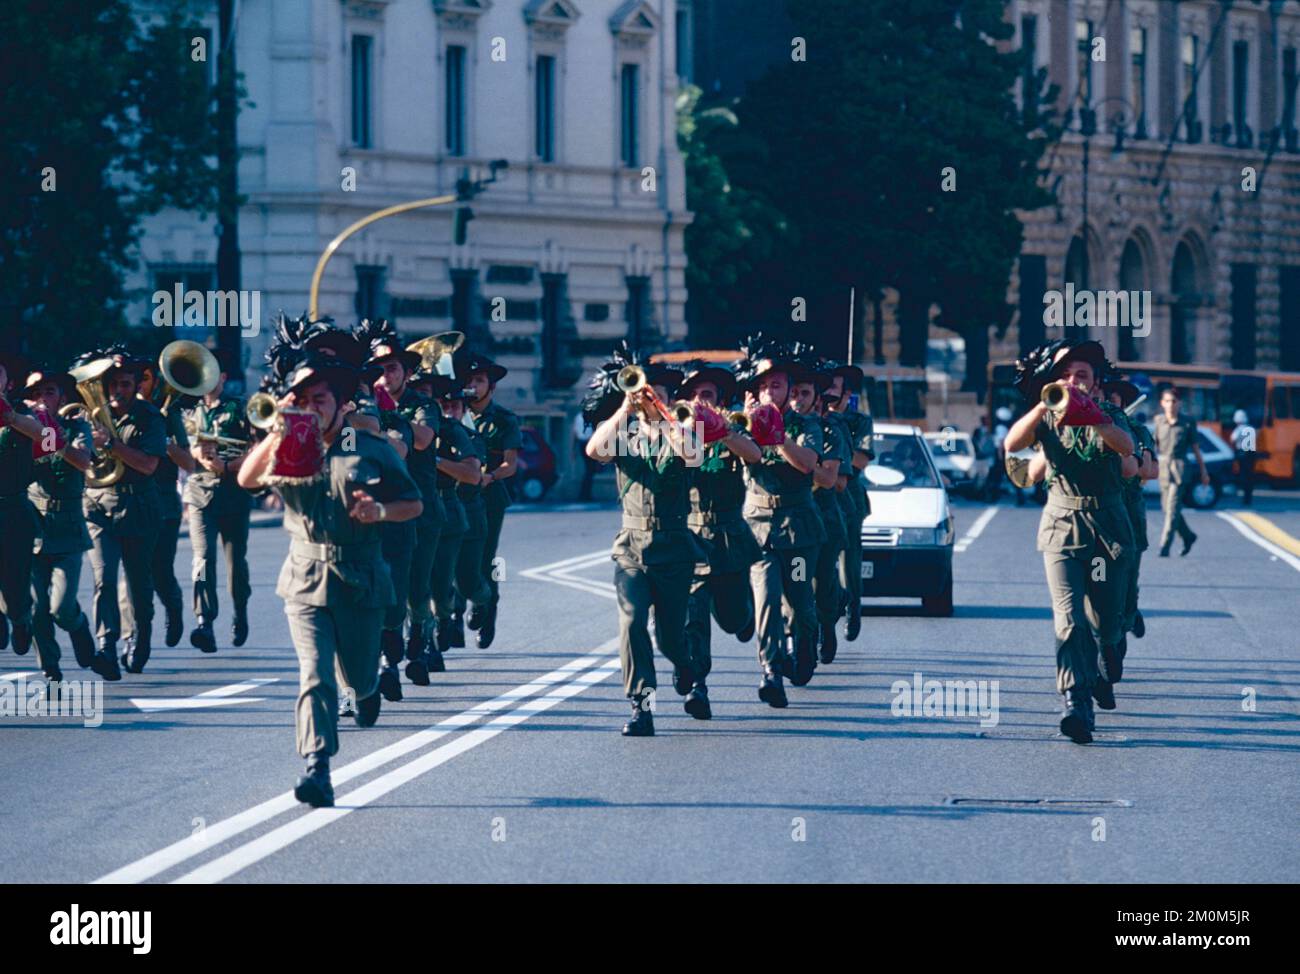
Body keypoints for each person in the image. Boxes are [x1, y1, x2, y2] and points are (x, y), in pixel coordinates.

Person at [238, 351, 422, 807]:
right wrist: (276, 429)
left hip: (360, 577)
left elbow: (412, 503)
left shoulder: (370, 448)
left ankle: (368, 689)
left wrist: (378, 511)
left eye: (319, 399)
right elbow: (245, 479)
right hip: (304, 578)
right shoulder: (287, 445)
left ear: (342, 405)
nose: (311, 406)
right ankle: (317, 768)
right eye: (303, 398)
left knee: (356, 676)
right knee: (315, 674)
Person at [1003, 340, 1135, 744]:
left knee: (1106, 621)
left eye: (1081, 376)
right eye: (1065, 376)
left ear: (1095, 385)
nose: (1073, 382)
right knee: (1069, 617)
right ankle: (1076, 701)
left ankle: (1107, 651)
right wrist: (1046, 406)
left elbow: (1127, 449)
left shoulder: (1109, 414)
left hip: (1108, 526)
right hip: (1062, 523)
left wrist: (1094, 418)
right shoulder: (1047, 416)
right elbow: (1012, 445)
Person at [583, 354, 707, 736]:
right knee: (633, 620)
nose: (649, 398)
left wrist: (665, 419)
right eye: (644, 391)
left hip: (674, 547)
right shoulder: (623, 433)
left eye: (658, 393)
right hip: (632, 547)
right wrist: (625, 406)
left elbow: (692, 456)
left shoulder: (686, 429)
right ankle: (642, 706)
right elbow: (594, 451)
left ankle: (685, 664)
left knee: (670, 637)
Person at [737, 338, 824, 705]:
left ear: (789, 391)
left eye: (776, 385)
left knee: (801, 601)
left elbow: (807, 464)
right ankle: (771, 671)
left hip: (798, 531)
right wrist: (735, 429)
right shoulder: (744, 424)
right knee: (767, 597)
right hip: (758, 528)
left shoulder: (805, 426)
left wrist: (780, 436)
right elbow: (742, 457)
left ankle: (806, 646)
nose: (769, 391)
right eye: (763, 385)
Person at [679, 361, 762, 719]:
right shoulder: (680, 432)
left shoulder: (732, 427)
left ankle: (745, 619)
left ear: (719, 399)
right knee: (693, 614)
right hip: (693, 536)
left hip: (729, 535)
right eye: (695, 394)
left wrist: (724, 430)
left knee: (731, 618)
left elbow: (754, 455)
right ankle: (698, 684)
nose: (700, 400)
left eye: (707, 394)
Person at [79, 348, 168, 679]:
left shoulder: (150, 417)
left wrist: (110, 445)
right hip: (99, 506)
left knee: (138, 584)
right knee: (103, 578)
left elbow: (148, 465)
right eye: (113, 384)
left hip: (139, 509)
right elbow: (78, 459)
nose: (119, 390)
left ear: (135, 385)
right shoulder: (91, 415)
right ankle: (106, 645)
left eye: (125, 384)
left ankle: (139, 637)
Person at [22, 368, 97, 679]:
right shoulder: (21, 429)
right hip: (34, 524)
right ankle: (50, 668)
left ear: (61, 398)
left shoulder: (77, 426)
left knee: (61, 606)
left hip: (67, 526)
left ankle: (78, 627)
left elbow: (84, 461)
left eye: (49, 392)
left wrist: (52, 433)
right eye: (36, 393)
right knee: (37, 608)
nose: (42, 399)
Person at [123, 356, 195, 653]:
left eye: (146, 378)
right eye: (136, 380)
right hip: (129, 501)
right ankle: (133, 637)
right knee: (129, 576)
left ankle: (174, 608)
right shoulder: (119, 412)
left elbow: (189, 462)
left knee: (159, 571)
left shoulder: (168, 414)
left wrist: (162, 442)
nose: (140, 385)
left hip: (163, 500)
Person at [183, 349, 251, 653]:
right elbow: (181, 453)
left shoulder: (240, 408)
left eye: (214, 374)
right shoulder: (188, 413)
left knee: (235, 565)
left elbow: (257, 449)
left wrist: (229, 466)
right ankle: (204, 622)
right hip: (200, 494)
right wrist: (196, 453)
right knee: (202, 559)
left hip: (234, 494)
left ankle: (240, 611)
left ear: (223, 378)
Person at [458, 352, 520, 649]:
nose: (473, 385)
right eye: (469, 380)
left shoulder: (504, 420)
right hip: (457, 494)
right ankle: (452, 616)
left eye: (479, 380)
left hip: (489, 496)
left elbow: (511, 464)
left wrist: (490, 477)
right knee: (451, 554)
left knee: (485, 556)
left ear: (491, 387)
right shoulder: (452, 414)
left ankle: (487, 606)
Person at [790, 356, 850, 665]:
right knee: (793, 581)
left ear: (816, 399)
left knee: (823, 581)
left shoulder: (830, 432)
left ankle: (827, 625)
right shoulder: (777, 429)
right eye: (794, 393)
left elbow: (831, 481)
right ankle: (798, 637)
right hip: (788, 522)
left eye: (805, 394)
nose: (798, 401)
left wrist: (800, 459)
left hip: (823, 520)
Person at [435, 380, 493, 656]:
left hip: (468, 516)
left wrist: (435, 462)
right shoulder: (427, 436)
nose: (448, 412)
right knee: (436, 581)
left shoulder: (471, 438)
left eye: (454, 407)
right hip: (437, 518)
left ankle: (485, 600)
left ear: (463, 409)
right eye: (443, 406)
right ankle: (437, 631)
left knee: (468, 582)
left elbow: (472, 475)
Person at [1103, 378, 1158, 644]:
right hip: (1097, 513)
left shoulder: (1136, 430)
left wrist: (1133, 451)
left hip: (1129, 512)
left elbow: (1150, 471)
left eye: (1113, 401)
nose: (1108, 404)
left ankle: (1128, 615)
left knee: (1127, 576)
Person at [0, 350, 42, 662]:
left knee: (15, 580)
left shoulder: (24, 415)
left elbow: (50, 441)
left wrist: (11, 418)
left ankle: (19, 617)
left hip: (14, 510)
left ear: (9, 383)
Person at [826, 364, 873, 643]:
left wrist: (830, 460)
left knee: (848, 560)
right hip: (818, 494)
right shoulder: (814, 419)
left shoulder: (858, 421)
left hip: (848, 497)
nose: (829, 392)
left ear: (847, 393)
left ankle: (853, 605)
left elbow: (862, 459)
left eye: (834, 387)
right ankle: (827, 612)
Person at [1153, 386, 1208, 557]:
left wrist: (1203, 471)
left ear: (1180, 403)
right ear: (1162, 403)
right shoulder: (1158, 420)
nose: (1170, 405)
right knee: (1167, 508)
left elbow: (1196, 449)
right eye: (1167, 401)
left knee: (1173, 508)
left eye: (1174, 401)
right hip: (1163, 468)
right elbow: (1155, 446)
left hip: (1180, 468)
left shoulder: (1188, 422)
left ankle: (1165, 546)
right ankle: (1188, 536)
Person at [1230, 409, 1256, 506]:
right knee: (1250, 476)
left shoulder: (1238, 430)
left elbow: (1232, 440)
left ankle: (1244, 498)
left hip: (1242, 454)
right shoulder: (1251, 428)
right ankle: (1248, 498)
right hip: (1251, 454)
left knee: (1243, 476)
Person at [573, 411, 599, 502]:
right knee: (590, 470)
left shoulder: (578, 417)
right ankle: (585, 494)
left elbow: (574, 433)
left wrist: (573, 449)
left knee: (589, 469)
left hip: (581, 443)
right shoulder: (591, 416)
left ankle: (584, 494)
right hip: (588, 442)